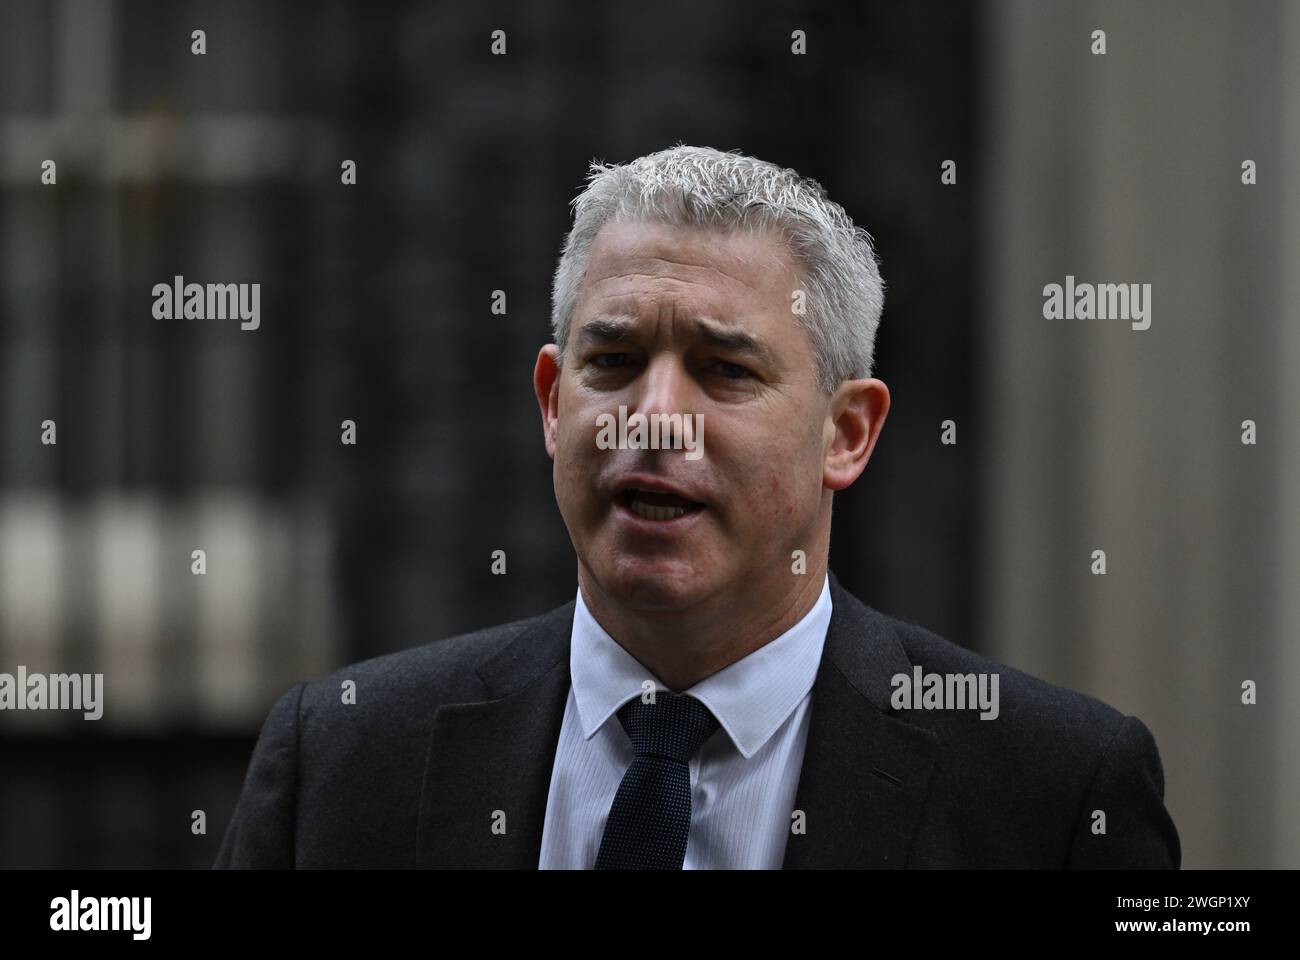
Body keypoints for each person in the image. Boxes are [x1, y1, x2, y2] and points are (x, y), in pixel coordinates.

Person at [214, 145, 1179, 869]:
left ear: (846, 433)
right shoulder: (341, 763)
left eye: (725, 370)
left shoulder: (1053, 795)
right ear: (554, 403)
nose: (658, 420)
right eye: (614, 362)